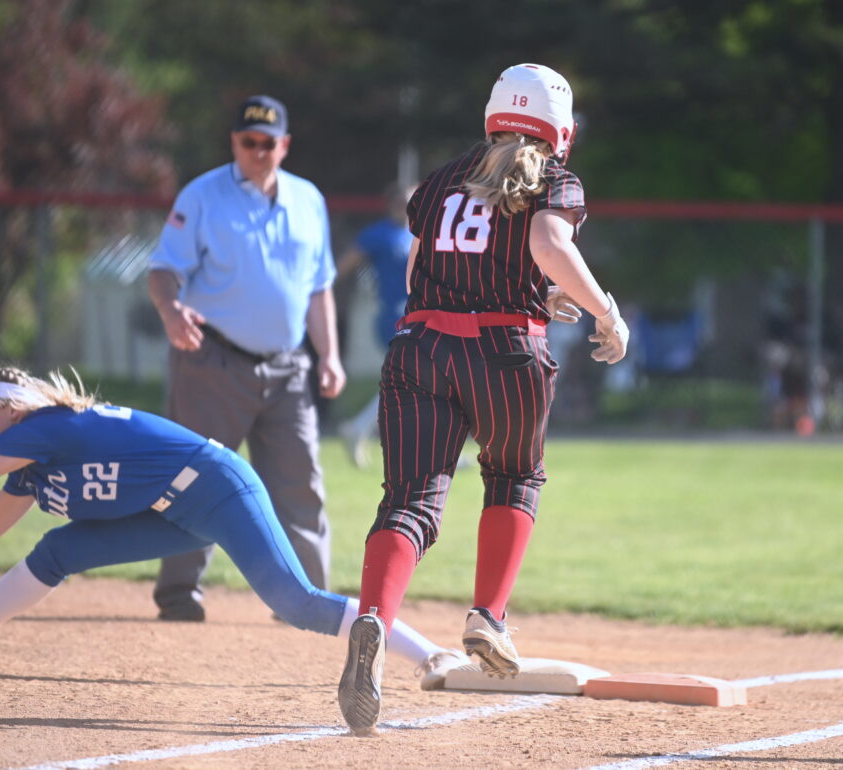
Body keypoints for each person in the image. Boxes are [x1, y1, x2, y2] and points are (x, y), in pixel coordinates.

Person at [0, 366, 469, 690]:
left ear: (13, 407)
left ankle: (428, 653)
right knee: (58, 548)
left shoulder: (42, 428)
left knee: (295, 602)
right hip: (175, 511)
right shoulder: (32, 461)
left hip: (219, 486)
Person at [336, 63, 630, 735]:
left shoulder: (443, 177)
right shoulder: (555, 179)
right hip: (504, 357)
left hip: (419, 348)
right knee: (514, 476)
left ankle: (375, 617)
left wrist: (538, 293)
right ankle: (487, 619)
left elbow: (423, 271)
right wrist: (604, 312)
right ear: (560, 128)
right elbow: (548, 241)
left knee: (409, 501)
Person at [147, 95, 344, 622]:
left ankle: (307, 601)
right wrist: (170, 312)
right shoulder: (203, 195)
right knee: (195, 480)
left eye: (267, 142)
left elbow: (319, 287)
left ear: (285, 144)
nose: (257, 151)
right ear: (234, 142)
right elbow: (163, 269)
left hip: (289, 367)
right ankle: (178, 593)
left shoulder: (308, 199)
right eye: (247, 141)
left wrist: (330, 356)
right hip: (213, 363)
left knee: (300, 485)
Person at [335, 182, 416, 469]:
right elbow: (343, 266)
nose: (406, 207)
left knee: (410, 381)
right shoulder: (379, 234)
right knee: (410, 378)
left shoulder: (423, 232)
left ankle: (360, 428)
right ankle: (360, 428)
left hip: (422, 315)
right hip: (395, 316)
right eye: (401, 201)